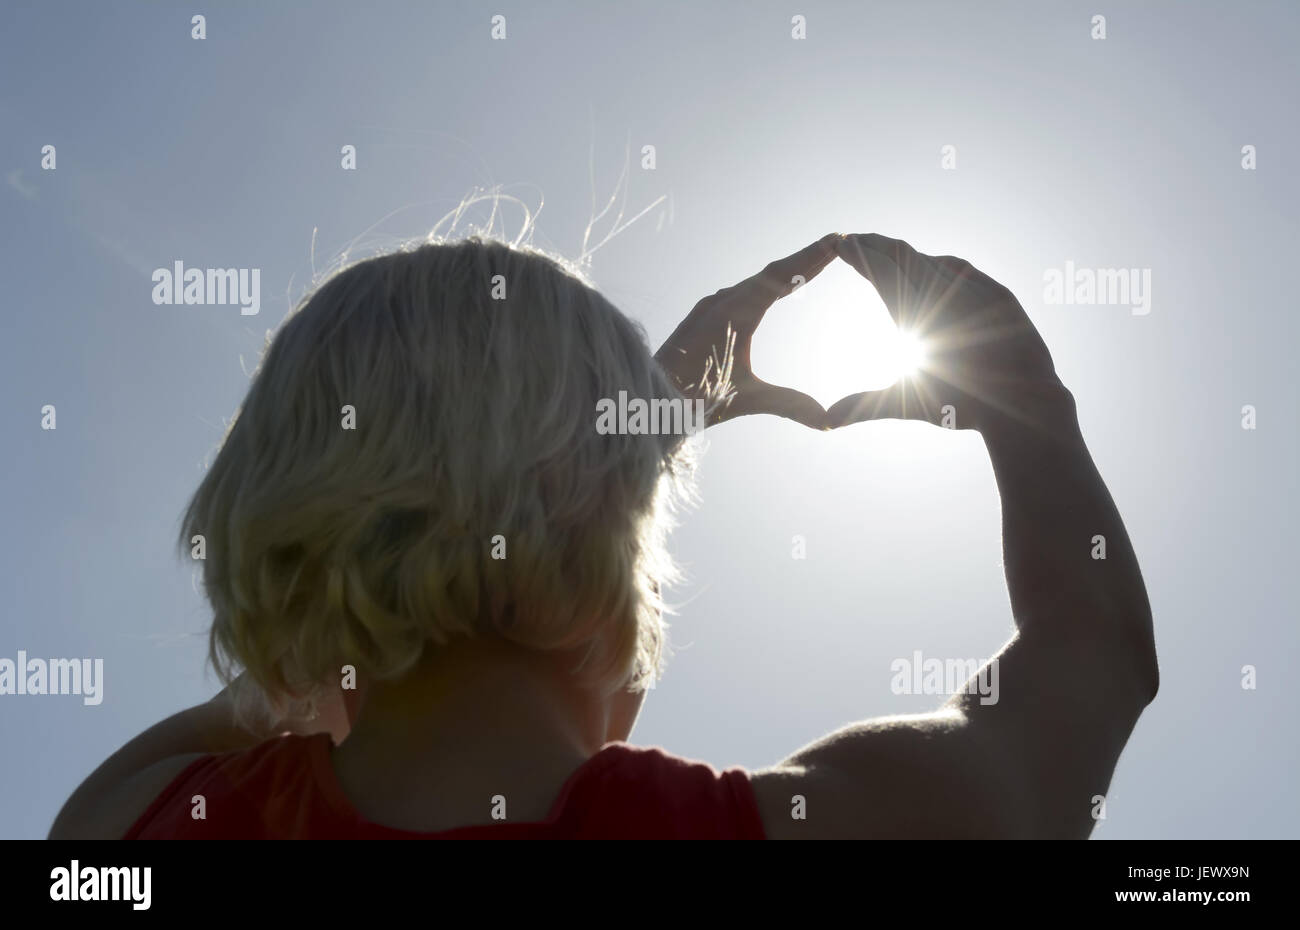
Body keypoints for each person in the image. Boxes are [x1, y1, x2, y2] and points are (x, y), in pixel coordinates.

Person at [48, 231, 1158, 839]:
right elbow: (1096, 658)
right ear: (617, 545)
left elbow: (291, 688)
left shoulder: (135, 829)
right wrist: (1023, 390)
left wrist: (620, 449)